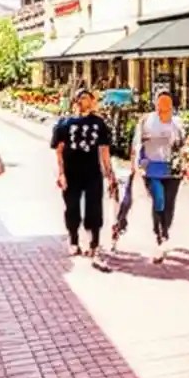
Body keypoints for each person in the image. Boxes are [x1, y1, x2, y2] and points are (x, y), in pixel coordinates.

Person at [54, 89, 117, 263]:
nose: (84, 101)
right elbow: (59, 150)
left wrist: (109, 173)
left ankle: (94, 242)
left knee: (94, 208)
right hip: (71, 171)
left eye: (87, 98)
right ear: (75, 101)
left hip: (92, 172)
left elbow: (104, 149)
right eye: (81, 98)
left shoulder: (99, 123)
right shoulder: (65, 123)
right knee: (72, 207)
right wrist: (61, 174)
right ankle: (73, 240)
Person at [133, 90, 186, 263]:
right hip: (152, 169)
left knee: (168, 204)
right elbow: (137, 144)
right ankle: (160, 235)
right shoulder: (146, 121)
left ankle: (165, 229)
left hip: (172, 170)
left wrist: (187, 161)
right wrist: (139, 164)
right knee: (159, 200)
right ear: (155, 103)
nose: (163, 106)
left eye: (166, 102)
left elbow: (185, 145)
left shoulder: (177, 123)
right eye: (160, 102)